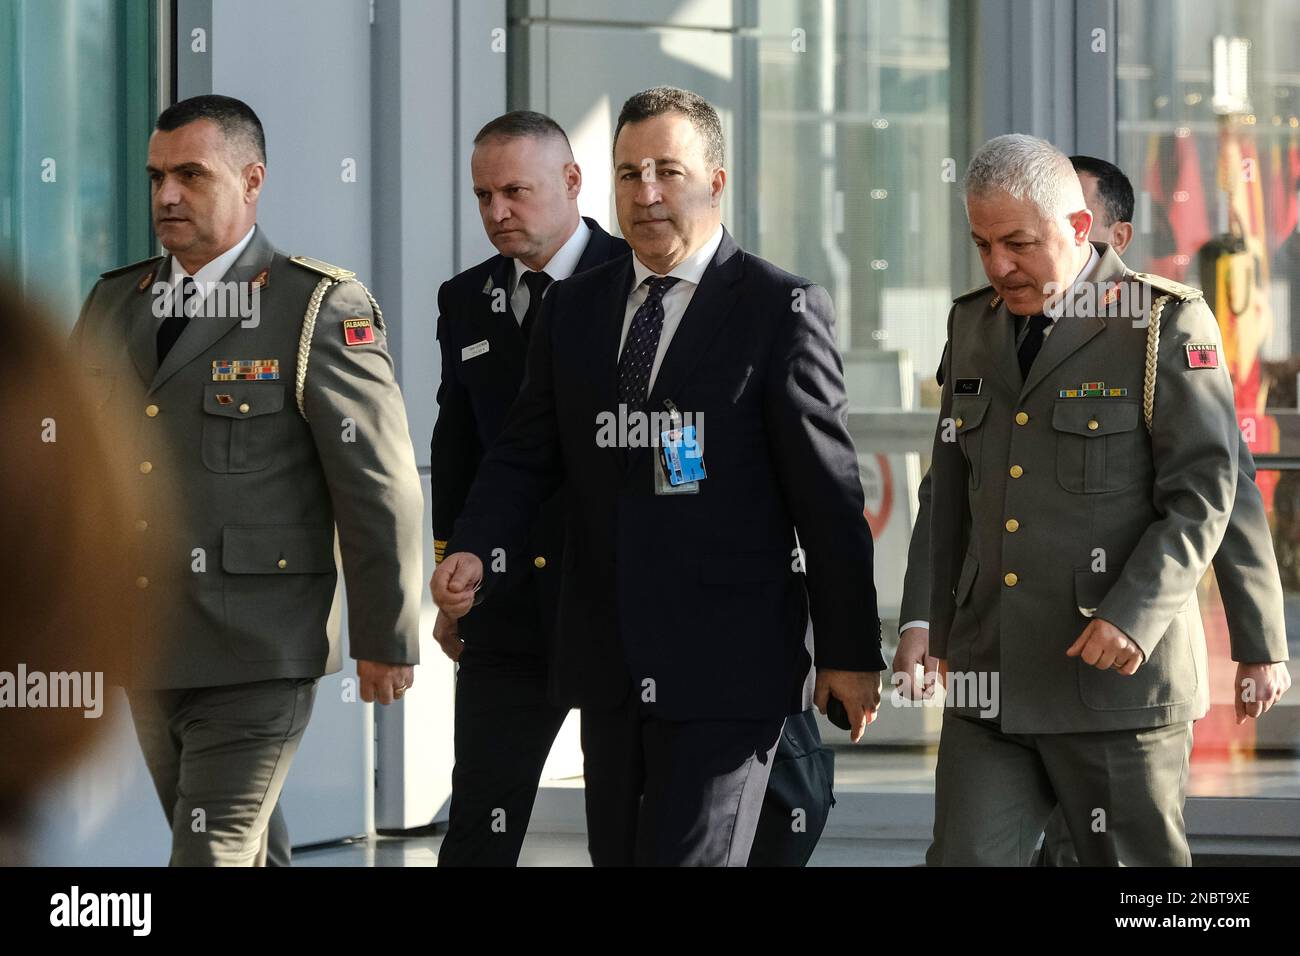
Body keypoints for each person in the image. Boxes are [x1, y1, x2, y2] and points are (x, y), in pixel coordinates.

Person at [431, 86, 883, 866]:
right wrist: (471, 546)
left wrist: (849, 649)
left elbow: (828, 497)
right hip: (611, 665)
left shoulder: (779, 309)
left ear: (716, 181)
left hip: (727, 668)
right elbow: (522, 453)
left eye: (668, 172)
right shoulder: (575, 309)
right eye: (629, 173)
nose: (645, 194)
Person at [895, 149, 1291, 864]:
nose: (999, 266)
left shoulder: (1163, 323)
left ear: (1081, 227)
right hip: (991, 678)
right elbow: (948, 489)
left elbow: (1208, 492)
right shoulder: (972, 324)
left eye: (1019, 243)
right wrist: (923, 618)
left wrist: (1139, 613)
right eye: (983, 244)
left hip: (1115, 682)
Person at [69, 94, 425, 866]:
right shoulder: (113, 301)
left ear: (252, 179)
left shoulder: (314, 305)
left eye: (191, 174)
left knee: (210, 852)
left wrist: (386, 634)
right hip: (147, 639)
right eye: (157, 177)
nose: (167, 195)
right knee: (240, 848)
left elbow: (376, 481)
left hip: (260, 650)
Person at [429, 110, 628, 866]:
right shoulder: (466, 297)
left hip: (615, 601)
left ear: (572, 181)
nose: (497, 212)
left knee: (629, 824)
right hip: (507, 602)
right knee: (479, 825)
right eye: (483, 196)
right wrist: (456, 570)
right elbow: (458, 448)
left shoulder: (638, 281)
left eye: (515, 191)